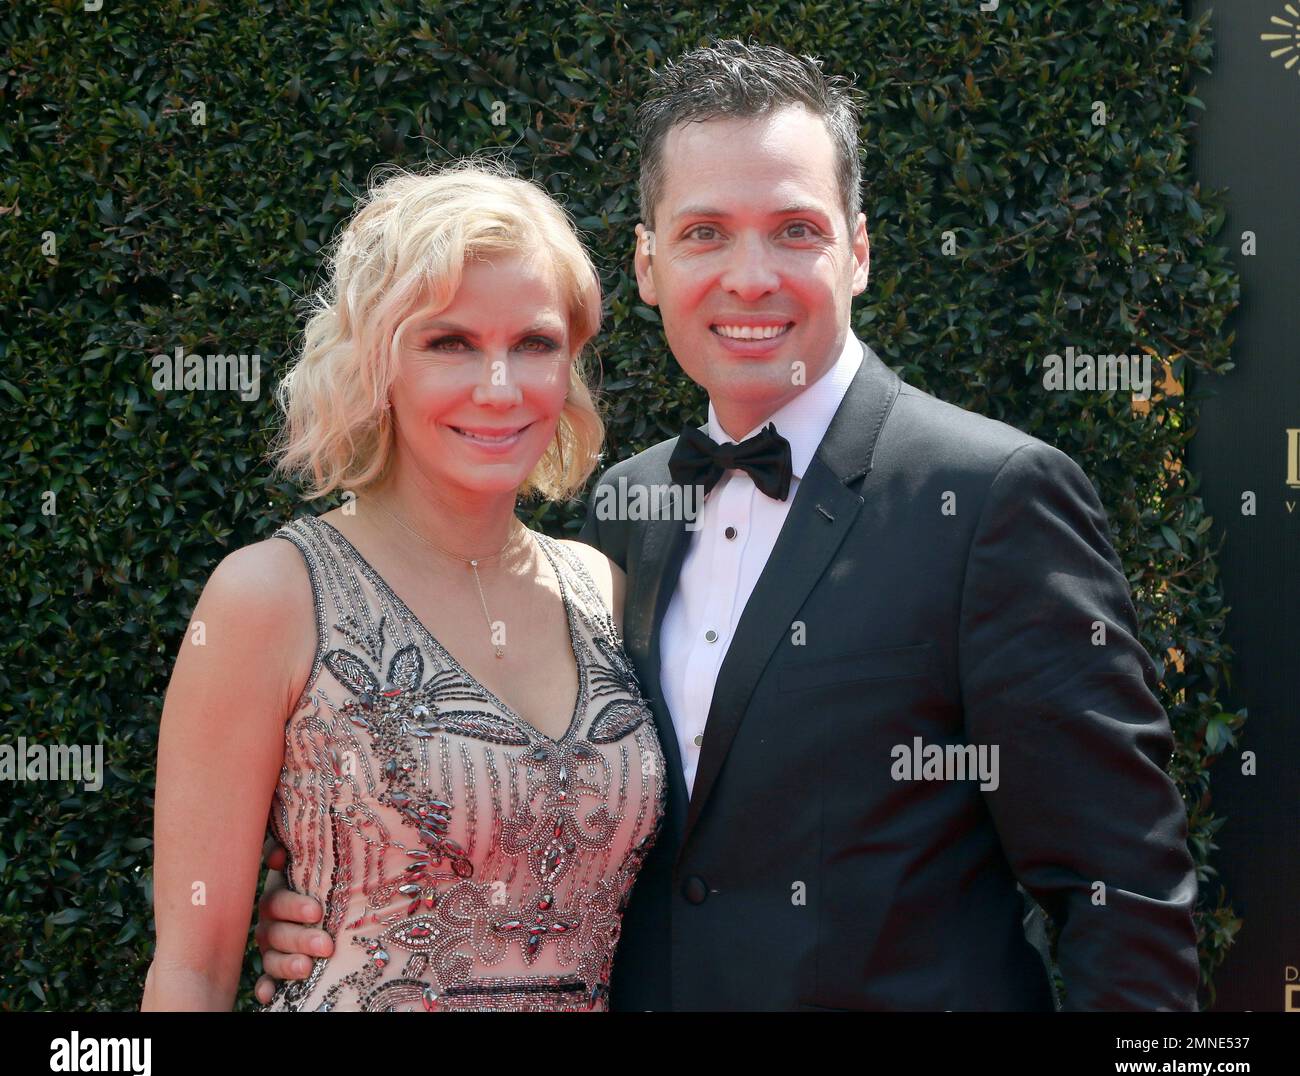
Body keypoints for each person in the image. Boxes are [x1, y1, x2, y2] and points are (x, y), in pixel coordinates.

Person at [254, 40, 1200, 1011]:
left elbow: (1119, 893)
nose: (749, 277)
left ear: (859, 251)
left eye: (794, 230)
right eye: (705, 233)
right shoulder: (622, 511)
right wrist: (334, 898)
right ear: (648, 263)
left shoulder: (993, 497)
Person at [142, 161, 665, 1011]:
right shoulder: (271, 597)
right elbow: (190, 971)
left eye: (533, 343)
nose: (497, 388)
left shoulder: (602, 588)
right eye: (449, 342)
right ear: (378, 363)